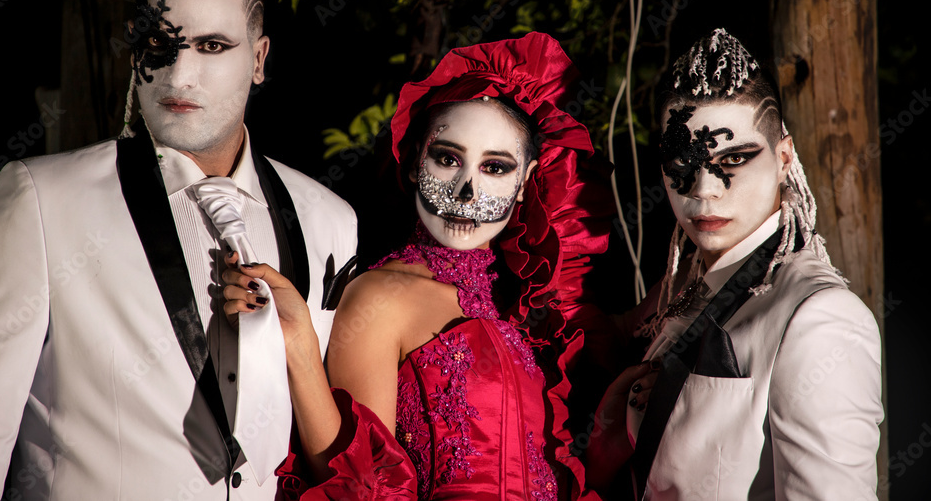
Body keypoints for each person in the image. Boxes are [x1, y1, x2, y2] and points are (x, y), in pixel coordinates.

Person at [0, 0, 357, 499]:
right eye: (161, 44)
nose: (181, 76)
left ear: (259, 59)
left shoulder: (329, 222)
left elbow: (337, 457)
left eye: (212, 46)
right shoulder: (37, 201)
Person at [222, 32, 617, 499]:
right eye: (448, 159)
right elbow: (363, 483)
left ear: (527, 181)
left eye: (495, 168)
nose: (466, 193)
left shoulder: (529, 302)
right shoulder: (380, 296)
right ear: (413, 162)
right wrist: (300, 345)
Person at [588, 29, 883, 499]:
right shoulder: (685, 281)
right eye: (680, 163)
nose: (704, 190)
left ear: (784, 156)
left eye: (735, 158)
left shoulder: (822, 318)